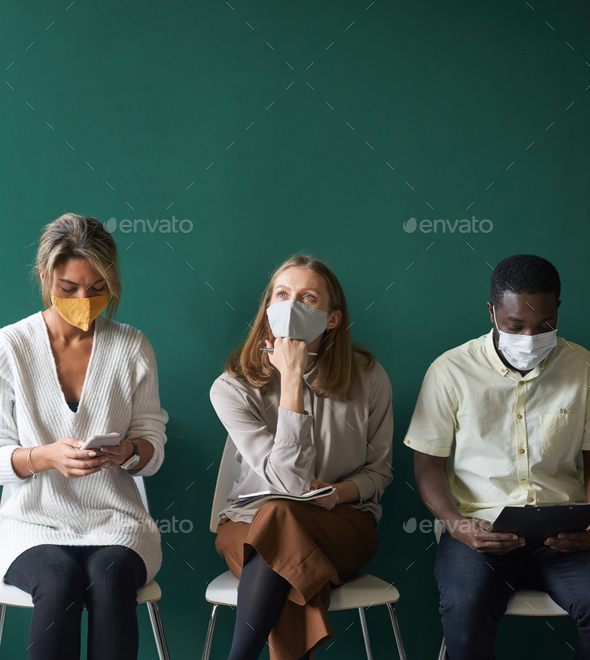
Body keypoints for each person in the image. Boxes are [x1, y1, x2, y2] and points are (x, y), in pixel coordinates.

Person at [405, 254, 590, 660]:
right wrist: (456, 525)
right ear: (492, 312)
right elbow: (427, 462)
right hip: (479, 534)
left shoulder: (583, 368)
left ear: (558, 311)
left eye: (545, 326)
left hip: (567, 538)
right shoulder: (450, 371)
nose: (530, 336)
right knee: (464, 609)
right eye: (515, 325)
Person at [0, 213, 168, 660]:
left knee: (111, 578)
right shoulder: (10, 347)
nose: (83, 299)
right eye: (68, 288)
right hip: (32, 524)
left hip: (117, 523)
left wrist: (128, 451)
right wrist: (44, 457)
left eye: (97, 288)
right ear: (44, 278)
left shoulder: (132, 347)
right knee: (58, 580)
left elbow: (152, 447)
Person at [210, 254, 393, 660]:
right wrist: (290, 379)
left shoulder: (369, 377)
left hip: (342, 525)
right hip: (248, 527)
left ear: (331, 319)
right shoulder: (231, 387)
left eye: (308, 297)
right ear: (268, 310)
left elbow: (380, 472)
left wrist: (339, 492)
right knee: (280, 520)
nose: (292, 305)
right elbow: (288, 487)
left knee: (282, 528)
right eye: (282, 294)